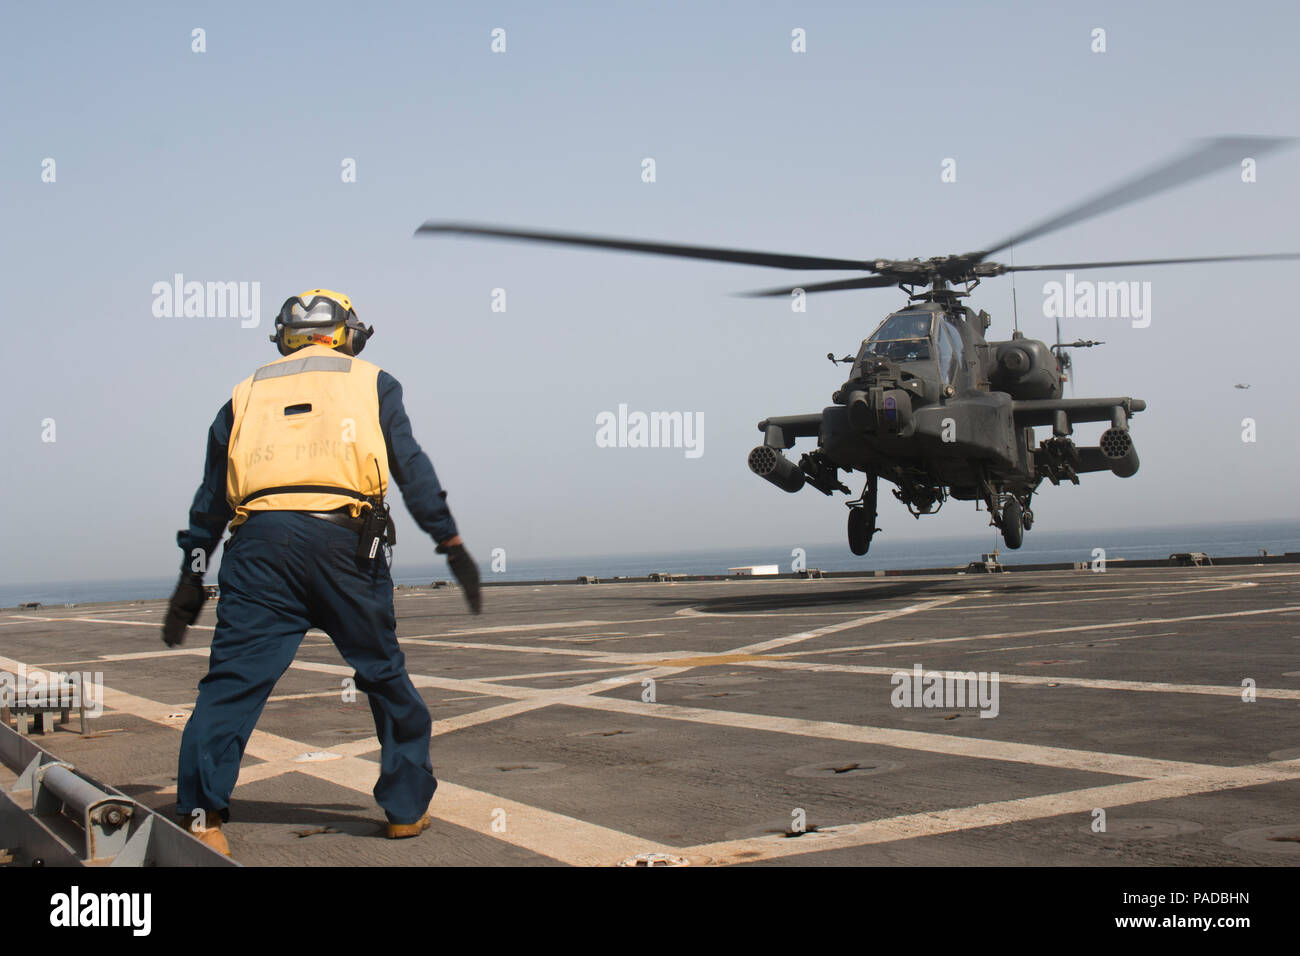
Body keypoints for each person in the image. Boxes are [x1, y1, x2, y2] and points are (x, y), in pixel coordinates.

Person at [160, 289, 482, 857]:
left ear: (283, 337)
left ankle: (200, 818)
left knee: (232, 685)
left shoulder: (244, 393)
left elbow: (210, 497)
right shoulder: (372, 382)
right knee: (383, 675)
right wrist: (448, 539)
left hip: (258, 547)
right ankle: (405, 811)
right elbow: (411, 467)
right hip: (345, 546)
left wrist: (191, 574)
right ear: (348, 333)